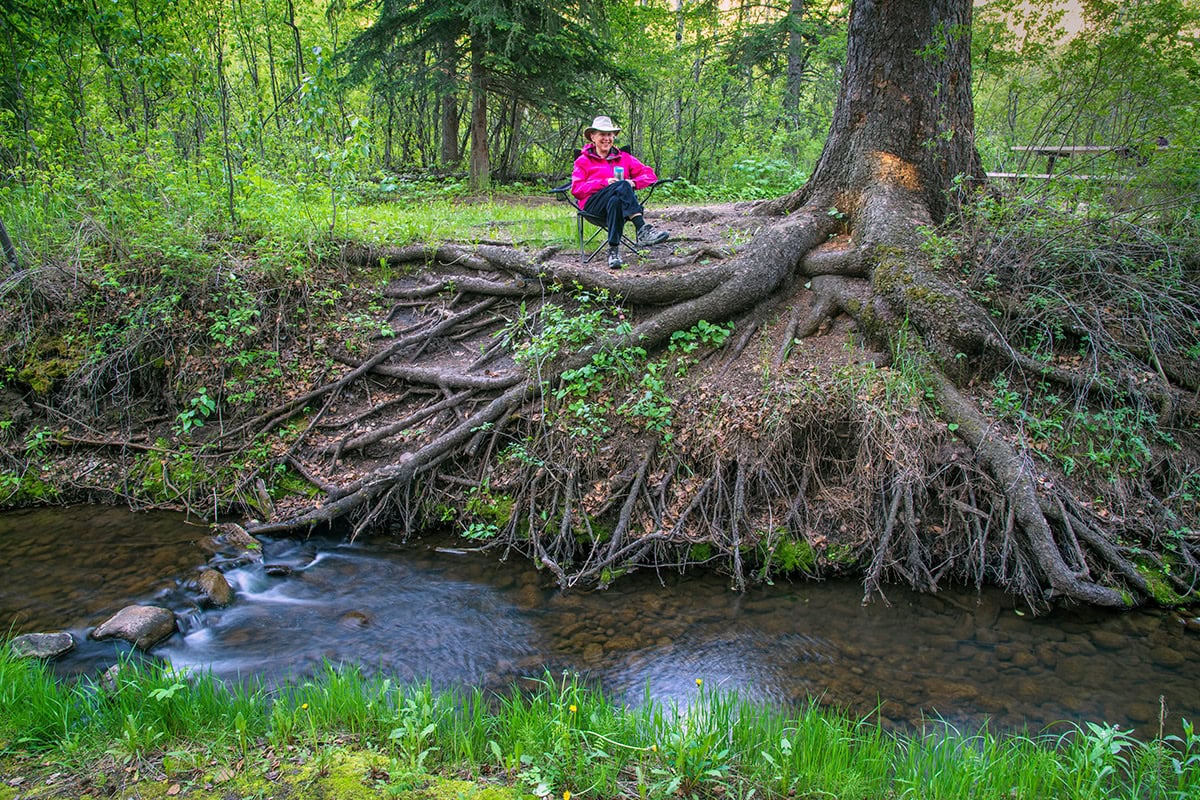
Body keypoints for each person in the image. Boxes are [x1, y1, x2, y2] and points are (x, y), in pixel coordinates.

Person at [571, 115, 670, 270]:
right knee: (621, 185)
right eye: (602, 134)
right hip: (593, 205)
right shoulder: (583, 161)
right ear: (593, 137)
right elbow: (576, 190)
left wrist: (634, 182)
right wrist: (604, 183)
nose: (607, 138)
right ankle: (642, 229)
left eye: (610, 135)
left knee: (616, 200)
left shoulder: (624, 158)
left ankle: (614, 251)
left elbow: (650, 175)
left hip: (619, 206)